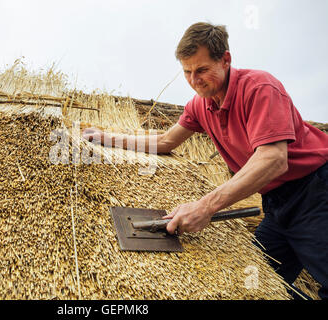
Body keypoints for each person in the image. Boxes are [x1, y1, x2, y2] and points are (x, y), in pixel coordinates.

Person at [82, 22, 328, 299]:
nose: (194, 80)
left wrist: (205, 207)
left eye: (201, 70)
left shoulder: (260, 88)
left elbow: (272, 159)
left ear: (225, 60)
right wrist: (106, 137)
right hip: (275, 204)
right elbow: (165, 141)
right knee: (256, 285)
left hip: (315, 191)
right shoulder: (200, 105)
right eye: (187, 72)